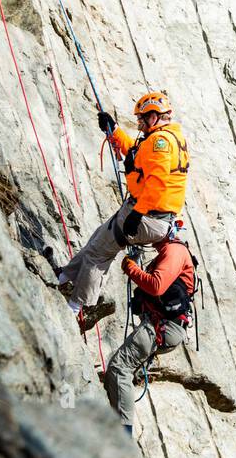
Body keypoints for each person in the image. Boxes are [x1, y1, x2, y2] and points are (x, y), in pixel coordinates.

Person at [56, 90, 189, 329]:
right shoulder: (166, 138)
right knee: (99, 238)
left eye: (142, 119)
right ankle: (64, 277)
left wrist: (138, 212)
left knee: (99, 253)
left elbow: (156, 181)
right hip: (152, 216)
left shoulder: (161, 142)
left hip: (146, 215)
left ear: (154, 116)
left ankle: (76, 307)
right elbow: (139, 155)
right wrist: (114, 130)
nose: (139, 124)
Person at [105, 226, 196, 434]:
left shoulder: (174, 251)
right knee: (122, 371)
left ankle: (123, 436)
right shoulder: (169, 252)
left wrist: (131, 269)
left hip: (162, 326)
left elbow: (156, 286)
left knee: (120, 369)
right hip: (163, 326)